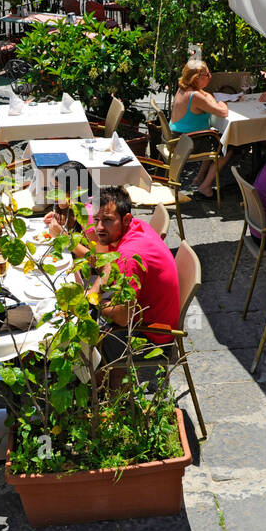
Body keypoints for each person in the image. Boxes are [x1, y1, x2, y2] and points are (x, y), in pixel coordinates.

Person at [83, 187, 180, 366]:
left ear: (125, 219)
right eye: (96, 220)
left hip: (152, 338)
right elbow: (109, 265)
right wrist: (93, 290)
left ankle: (108, 389)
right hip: (148, 317)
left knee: (83, 342)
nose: (99, 228)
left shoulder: (129, 256)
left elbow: (121, 317)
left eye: (107, 220)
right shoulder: (137, 226)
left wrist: (92, 300)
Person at [169, 60, 231, 200]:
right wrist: (222, 103)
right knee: (228, 145)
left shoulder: (183, 89)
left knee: (214, 137)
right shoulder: (195, 96)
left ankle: (199, 178)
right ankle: (205, 186)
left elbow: (207, 95)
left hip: (178, 137)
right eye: (207, 74)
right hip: (188, 142)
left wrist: (210, 97)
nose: (210, 76)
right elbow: (223, 112)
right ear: (196, 78)